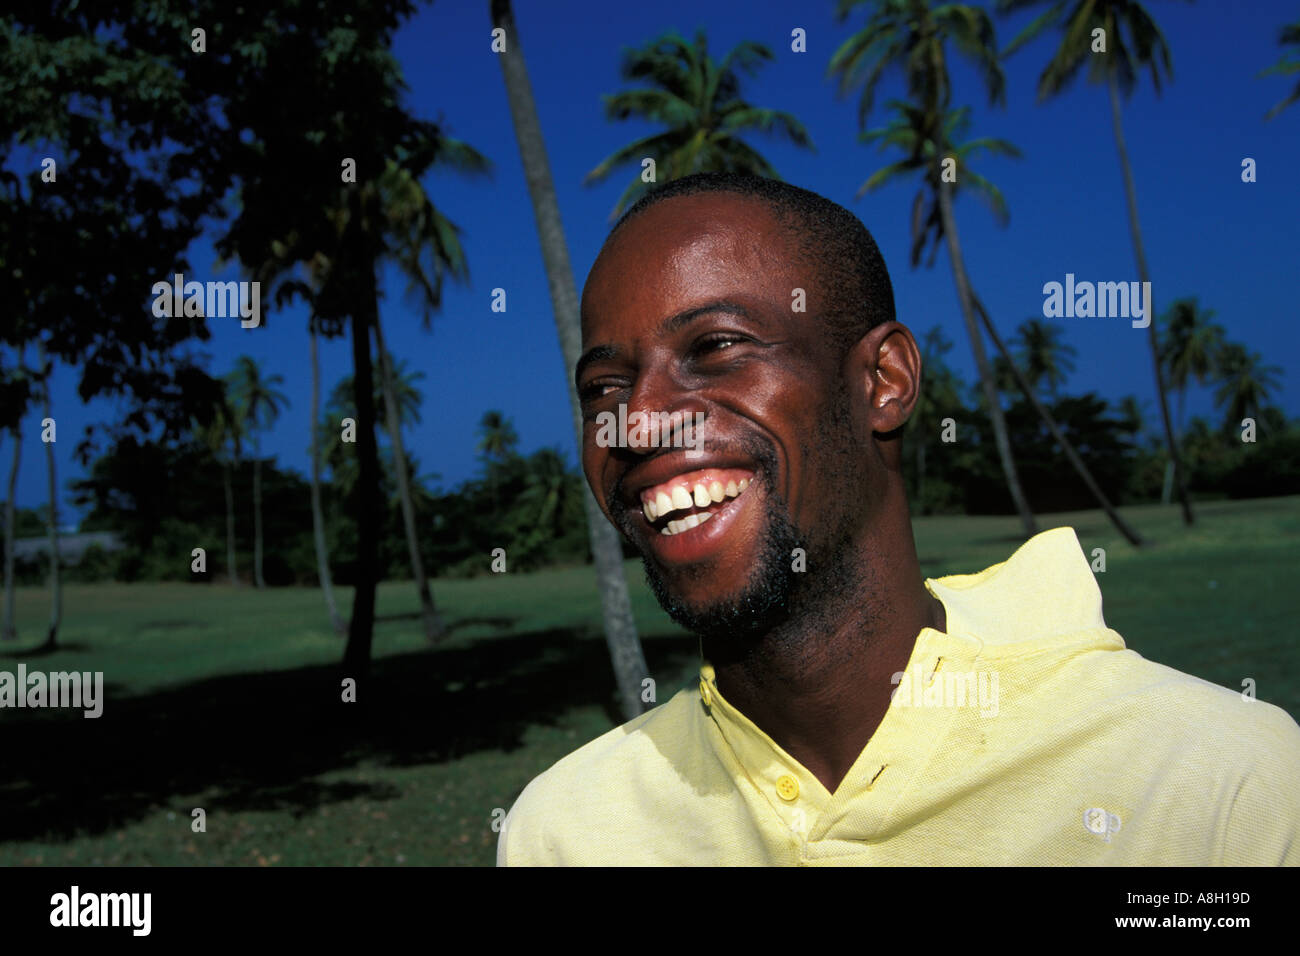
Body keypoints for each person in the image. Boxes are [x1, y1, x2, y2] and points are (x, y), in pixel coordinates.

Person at [496, 173, 1300, 866]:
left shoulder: (1222, 786)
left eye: (716, 347)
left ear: (884, 380)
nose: (638, 423)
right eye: (603, 387)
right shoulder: (564, 832)